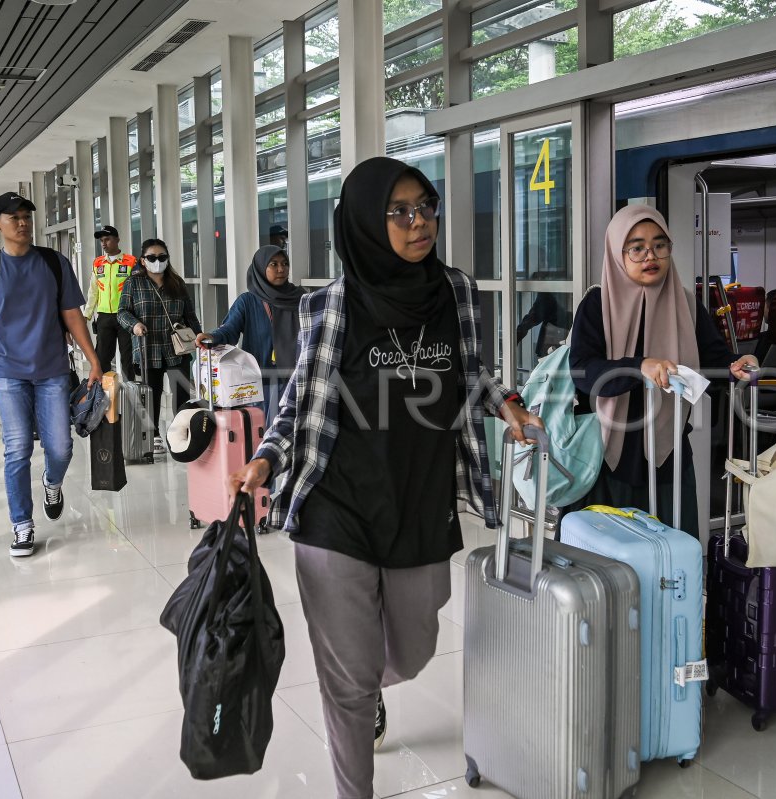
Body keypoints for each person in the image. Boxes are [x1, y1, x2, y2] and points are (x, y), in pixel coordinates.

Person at [230, 157, 542, 799]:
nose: (418, 222)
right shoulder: (331, 306)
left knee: (413, 650)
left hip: (421, 502)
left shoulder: (455, 291)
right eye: (399, 212)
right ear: (367, 225)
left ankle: (370, 684)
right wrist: (267, 456)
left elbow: (471, 371)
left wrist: (504, 402)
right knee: (345, 680)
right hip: (336, 505)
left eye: (425, 207)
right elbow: (299, 398)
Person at [567, 204, 757, 531]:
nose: (650, 256)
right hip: (605, 456)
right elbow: (584, 372)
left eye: (659, 245)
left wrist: (736, 367)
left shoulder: (685, 303)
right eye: (637, 248)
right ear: (617, 253)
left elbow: (714, 360)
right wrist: (639, 367)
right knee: (609, 561)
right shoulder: (598, 304)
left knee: (669, 558)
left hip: (668, 455)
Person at [0, 191, 103, 558]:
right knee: (17, 450)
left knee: (60, 448)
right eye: (13, 217)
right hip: (7, 372)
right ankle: (22, 524)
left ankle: (52, 482)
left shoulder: (53, 262)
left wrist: (94, 360)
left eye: (26, 216)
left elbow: (73, 315)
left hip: (52, 370)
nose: (22, 222)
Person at [195, 245, 306, 422]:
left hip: (295, 380)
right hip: (260, 383)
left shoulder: (300, 298)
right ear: (261, 268)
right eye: (274, 264)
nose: (281, 269)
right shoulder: (247, 301)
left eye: (285, 263)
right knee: (265, 434)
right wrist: (212, 337)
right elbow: (229, 330)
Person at [117, 238, 202, 455]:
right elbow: (122, 312)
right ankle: (153, 434)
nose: (157, 261)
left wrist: (200, 337)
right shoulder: (133, 283)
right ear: (143, 261)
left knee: (182, 391)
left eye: (162, 257)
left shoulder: (177, 283)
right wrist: (134, 324)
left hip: (177, 347)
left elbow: (189, 315)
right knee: (151, 393)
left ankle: (180, 431)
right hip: (148, 346)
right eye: (152, 257)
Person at [84, 225, 137, 381]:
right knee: (102, 358)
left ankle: (129, 393)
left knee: (128, 359)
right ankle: (104, 394)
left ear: (117, 239)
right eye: (101, 240)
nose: (103, 243)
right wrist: (86, 314)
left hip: (125, 316)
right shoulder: (98, 263)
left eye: (107, 239)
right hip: (104, 317)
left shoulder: (131, 261)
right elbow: (93, 291)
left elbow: (137, 290)